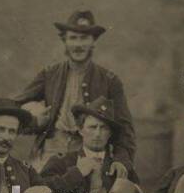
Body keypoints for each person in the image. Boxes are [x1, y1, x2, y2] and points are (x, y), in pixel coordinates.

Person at [13, 9, 136, 168]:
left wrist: (121, 161)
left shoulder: (109, 81)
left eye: (84, 38)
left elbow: (125, 129)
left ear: (93, 42)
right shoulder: (49, 74)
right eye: (73, 38)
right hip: (51, 148)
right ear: (65, 41)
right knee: (40, 189)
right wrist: (34, 121)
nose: (78, 45)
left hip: (89, 151)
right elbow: (14, 106)